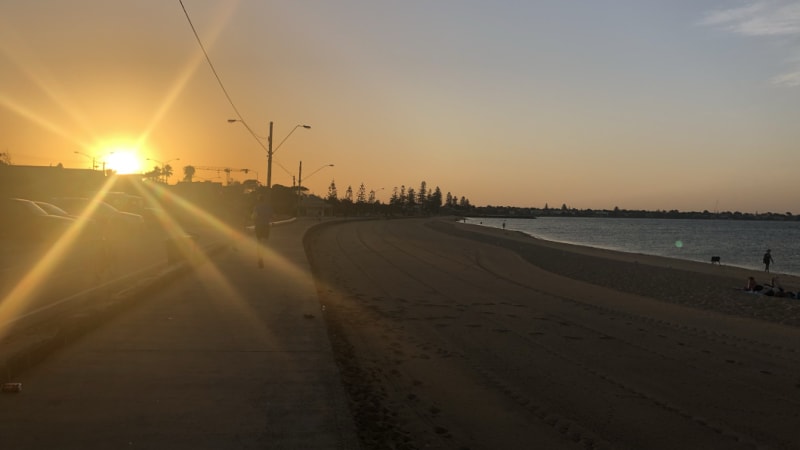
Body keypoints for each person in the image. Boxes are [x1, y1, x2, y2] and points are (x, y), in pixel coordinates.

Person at [252, 191, 274, 268]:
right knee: (264, 242)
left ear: (258, 200)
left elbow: (254, 217)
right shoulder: (268, 207)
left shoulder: (256, 207)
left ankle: (260, 258)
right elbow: (272, 216)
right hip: (266, 226)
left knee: (259, 242)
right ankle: (262, 256)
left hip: (258, 226)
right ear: (264, 199)